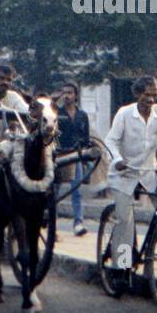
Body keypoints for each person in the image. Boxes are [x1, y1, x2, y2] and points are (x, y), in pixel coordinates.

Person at [103, 75, 157, 271]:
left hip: (148, 171)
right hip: (124, 173)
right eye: (147, 95)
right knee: (125, 220)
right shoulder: (124, 113)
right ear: (137, 93)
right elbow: (111, 141)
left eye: (154, 95)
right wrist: (118, 160)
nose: (151, 100)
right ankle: (121, 267)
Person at [55, 81, 92, 236]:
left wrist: (86, 154)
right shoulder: (57, 113)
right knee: (54, 191)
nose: (67, 96)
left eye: (70, 93)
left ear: (76, 95)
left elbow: (86, 137)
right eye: (64, 93)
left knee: (76, 190)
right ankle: (52, 222)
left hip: (75, 155)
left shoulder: (82, 115)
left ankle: (78, 223)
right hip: (59, 154)